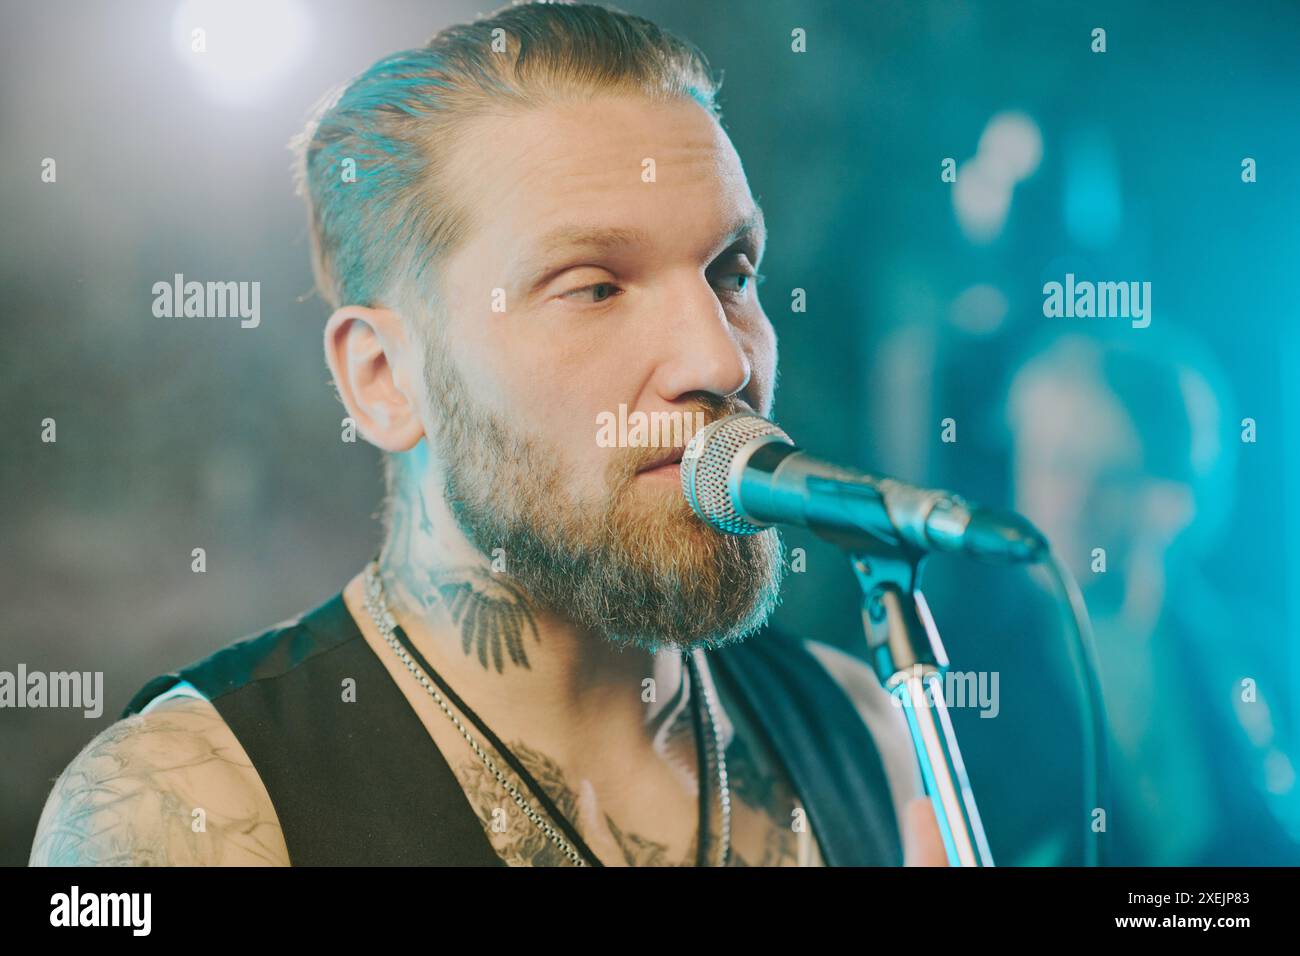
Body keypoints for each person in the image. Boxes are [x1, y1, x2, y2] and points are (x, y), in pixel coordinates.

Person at [30, 1, 944, 867]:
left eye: (731, 272)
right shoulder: (177, 810)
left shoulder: (866, 726)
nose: (719, 359)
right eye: (594, 285)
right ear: (384, 380)